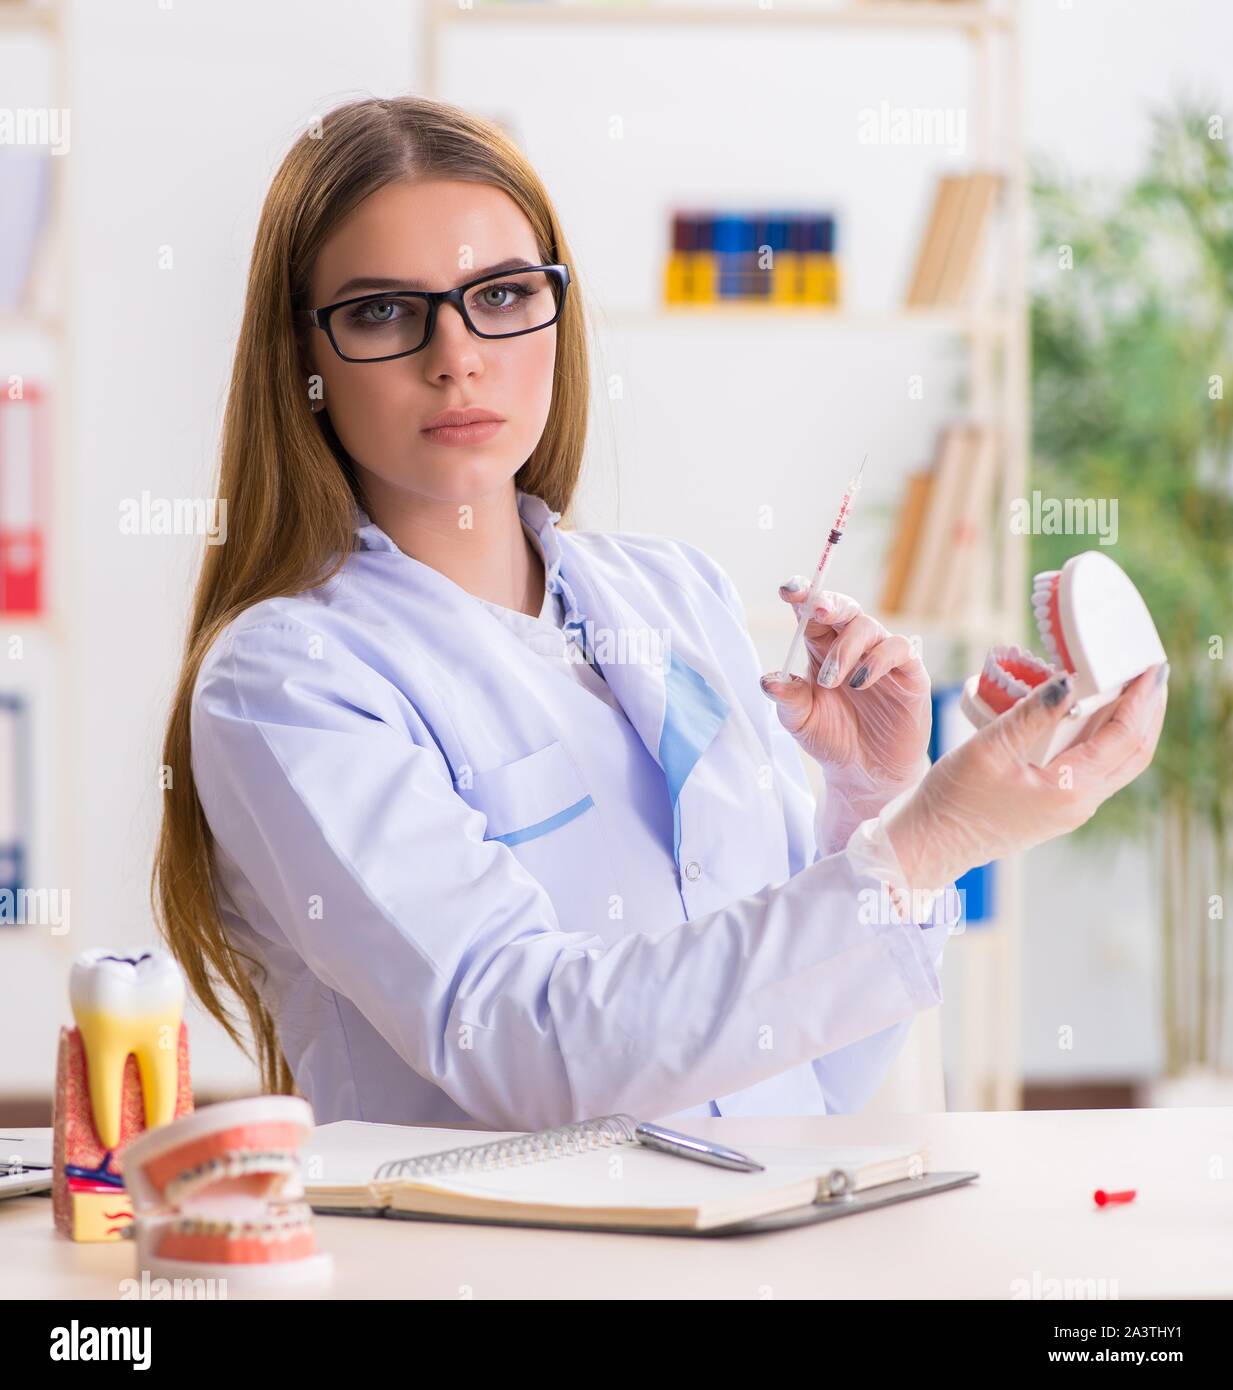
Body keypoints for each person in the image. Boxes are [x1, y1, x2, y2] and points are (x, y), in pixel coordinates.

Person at [152, 95, 1167, 1131]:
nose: (456, 353)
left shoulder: (674, 593)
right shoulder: (287, 678)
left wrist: (874, 803)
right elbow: (523, 1045)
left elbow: (815, 1072)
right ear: (304, 360)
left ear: (556, 309)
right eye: (382, 310)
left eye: (500, 294)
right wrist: (935, 839)